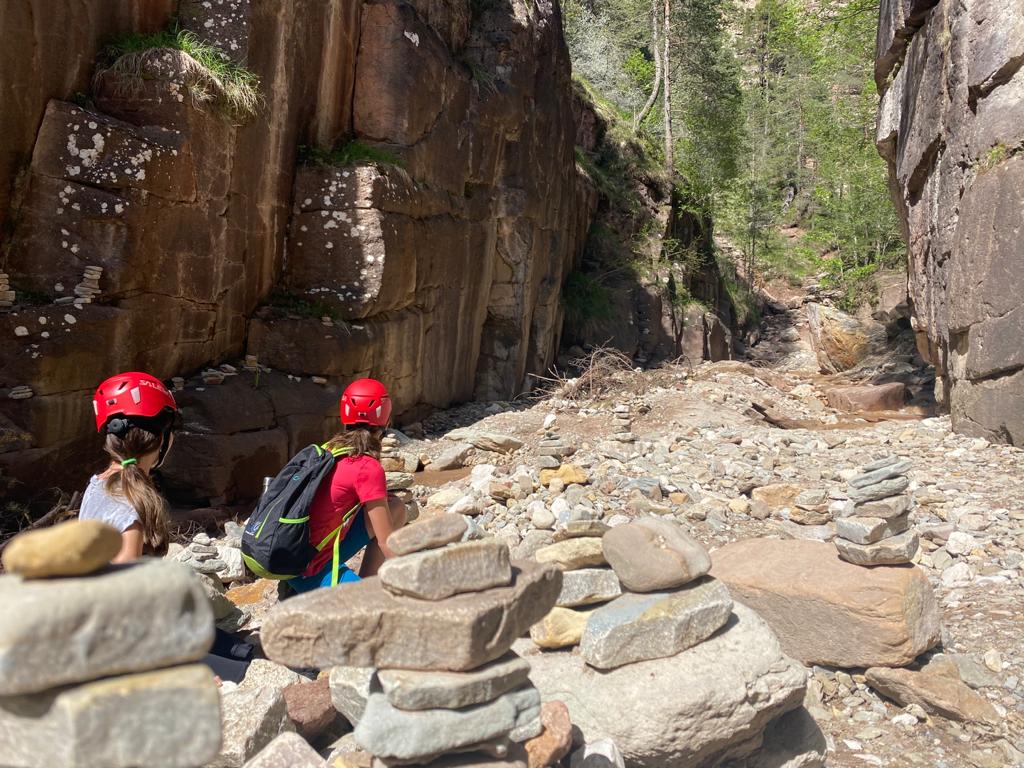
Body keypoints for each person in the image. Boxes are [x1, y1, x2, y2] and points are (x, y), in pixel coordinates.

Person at [80, 371, 253, 681]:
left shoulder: (98, 485)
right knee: (249, 670)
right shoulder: (130, 503)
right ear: (162, 437)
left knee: (243, 652)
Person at [289, 377, 408, 593]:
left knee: (395, 507)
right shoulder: (368, 468)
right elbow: (386, 542)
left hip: (295, 551)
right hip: (308, 568)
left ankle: (366, 584)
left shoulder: (329, 449)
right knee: (380, 607)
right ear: (386, 418)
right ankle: (362, 594)